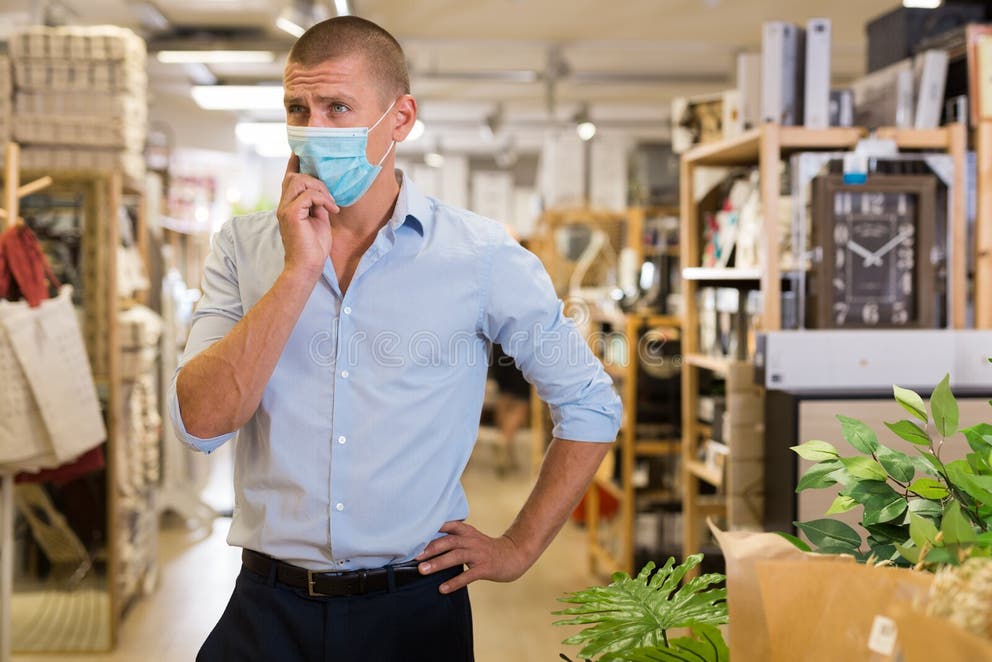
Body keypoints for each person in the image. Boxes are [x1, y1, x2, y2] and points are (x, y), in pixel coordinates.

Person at [168, 16, 621, 662]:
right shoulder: (244, 249)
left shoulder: (479, 254)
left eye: (337, 108)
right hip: (267, 610)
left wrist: (518, 547)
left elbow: (591, 405)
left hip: (412, 614)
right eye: (298, 108)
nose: (313, 130)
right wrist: (298, 271)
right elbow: (201, 422)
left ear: (399, 118)